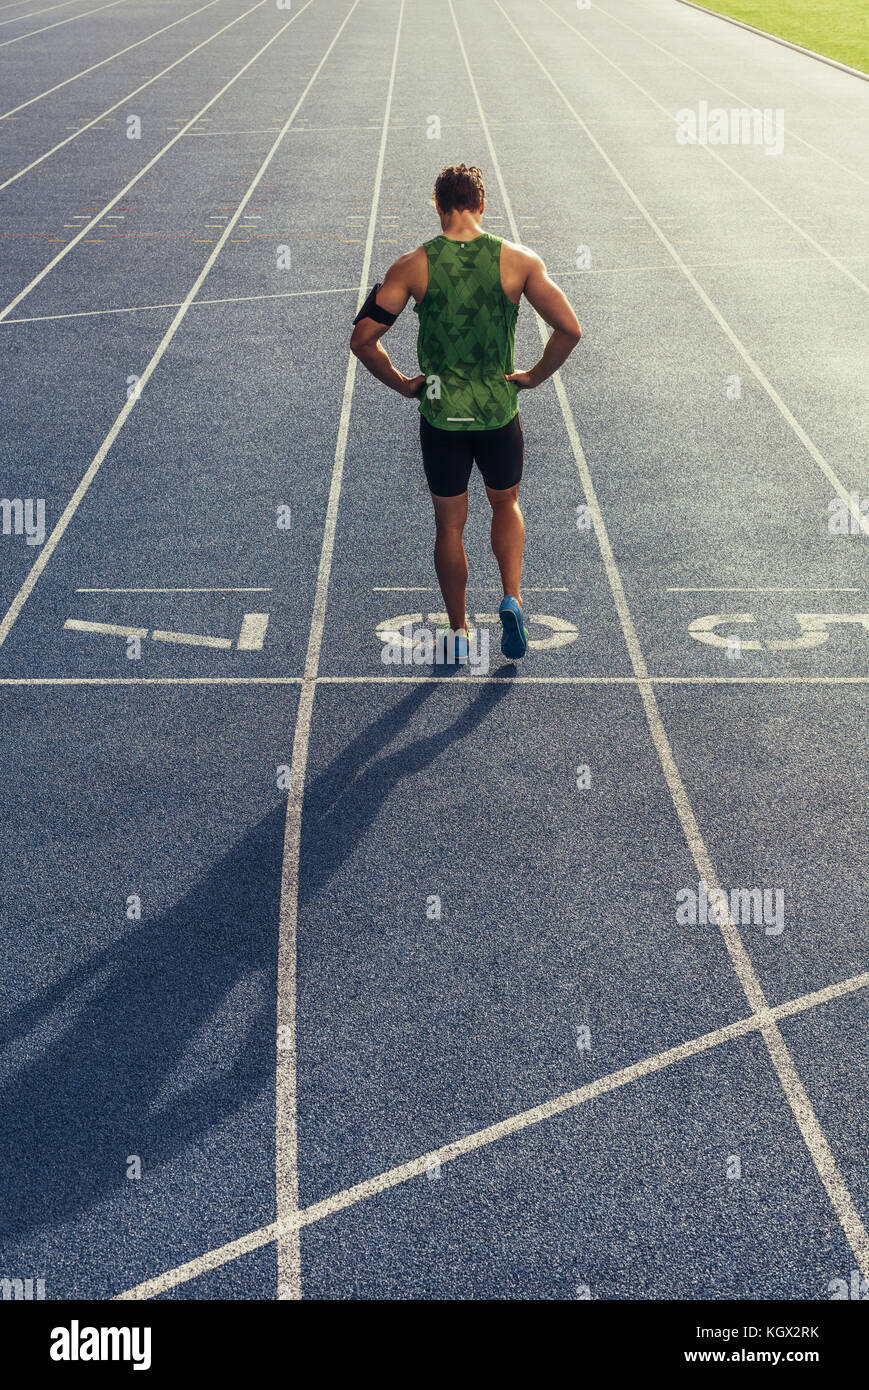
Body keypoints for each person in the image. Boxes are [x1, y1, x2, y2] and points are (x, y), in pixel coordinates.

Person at [350, 163, 581, 661]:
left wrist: (405, 385)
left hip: (441, 417)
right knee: (506, 504)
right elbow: (569, 329)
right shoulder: (519, 261)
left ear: (437, 205)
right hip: (498, 413)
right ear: (482, 205)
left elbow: (363, 340)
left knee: (449, 524)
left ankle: (457, 632)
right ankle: (512, 598)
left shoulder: (412, 265)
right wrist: (533, 376)